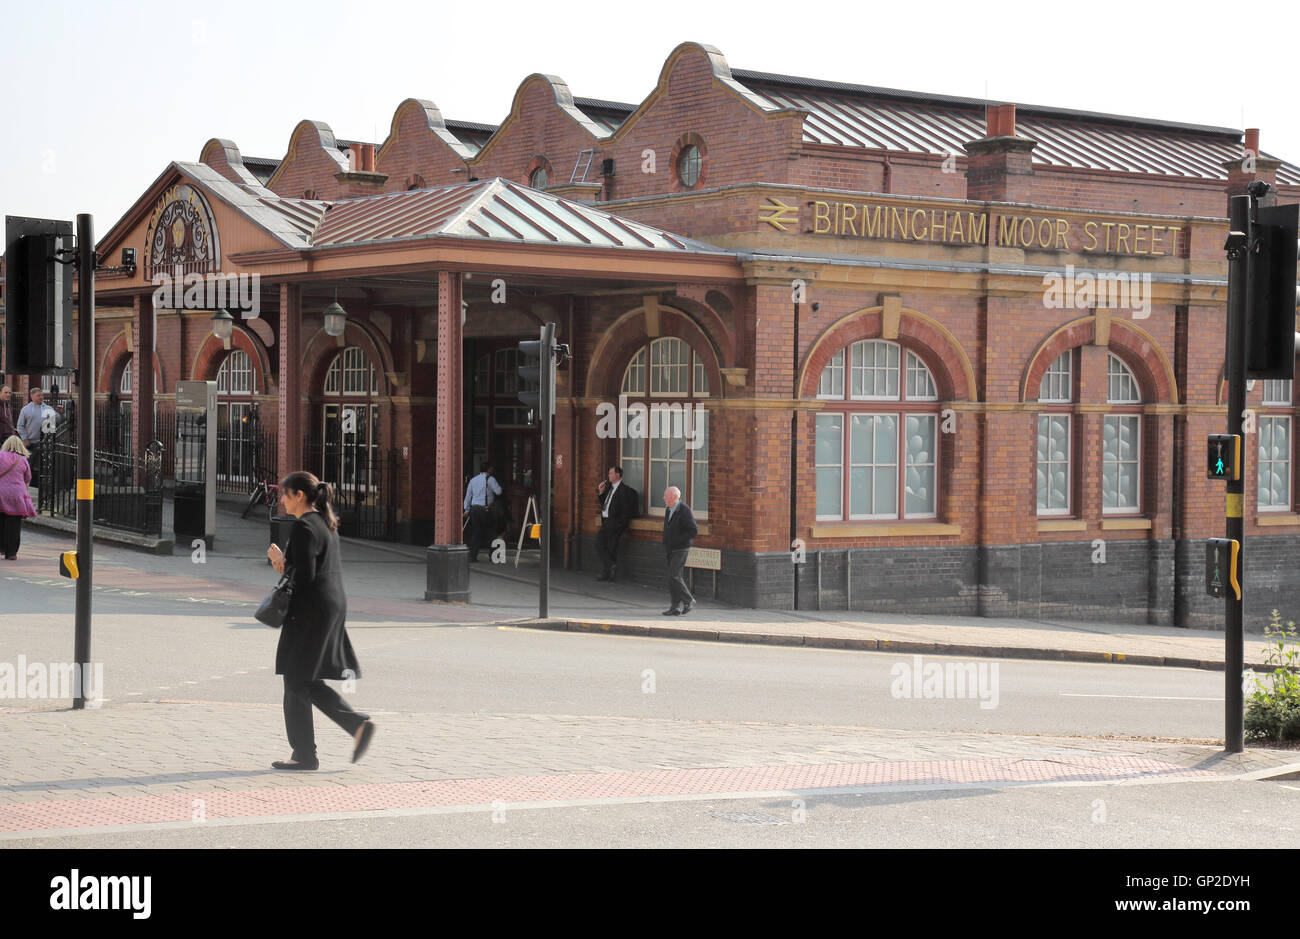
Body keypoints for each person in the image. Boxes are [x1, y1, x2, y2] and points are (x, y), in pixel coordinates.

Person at [266, 471, 374, 771]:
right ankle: (352, 728)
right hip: (328, 608)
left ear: (299, 495)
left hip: (310, 612)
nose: (282, 502)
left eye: (285, 495)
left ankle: (305, 753)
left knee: (295, 678)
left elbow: (304, 576)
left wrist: (280, 564)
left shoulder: (303, 526)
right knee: (304, 678)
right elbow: (311, 571)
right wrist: (287, 567)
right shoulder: (326, 524)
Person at [595, 466, 637, 581]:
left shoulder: (624, 491)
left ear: (617, 475)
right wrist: (601, 492)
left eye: (611, 473)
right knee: (604, 546)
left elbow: (625, 510)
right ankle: (609, 570)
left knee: (603, 545)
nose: (608, 475)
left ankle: (609, 570)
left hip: (614, 523)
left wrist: (619, 525)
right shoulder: (610, 488)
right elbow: (607, 504)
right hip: (606, 522)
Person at [661, 485, 698, 616]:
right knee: (673, 578)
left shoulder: (684, 510)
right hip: (670, 548)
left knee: (674, 575)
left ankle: (688, 600)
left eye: (666, 496)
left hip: (681, 548)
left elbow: (693, 530)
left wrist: (677, 540)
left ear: (675, 497)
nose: (664, 498)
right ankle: (675, 607)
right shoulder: (668, 509)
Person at [0, 437, 35, 560]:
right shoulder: (23, 460)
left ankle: (1, 548)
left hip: (1, 492)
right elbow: (28, 478)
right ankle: (11, 553)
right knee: (14, 523)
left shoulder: (0, 455)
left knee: (1, 520)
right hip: (17, 495)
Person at [462, 461, 502, 562]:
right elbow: (499, 491)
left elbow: (468, 496)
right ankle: (494, 556)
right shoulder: (491, 479)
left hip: (474, 509)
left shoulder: (473, 480)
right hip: (486, 509)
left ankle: (472, 556)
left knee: (476, 532)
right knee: (491, 532)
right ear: (489, 469)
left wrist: (466, 509)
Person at [16, 387, 57, 476]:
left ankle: (42, 487)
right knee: (27, 465)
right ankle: (25, 485)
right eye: (38, 395)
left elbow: (52, 426)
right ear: (32, 396)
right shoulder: (25, 409)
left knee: (45, 466)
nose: (41, 397)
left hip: (44, 443)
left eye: (42, 395)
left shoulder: (48, 408)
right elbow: (20, 426)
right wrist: (24, 439)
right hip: (29, 443)